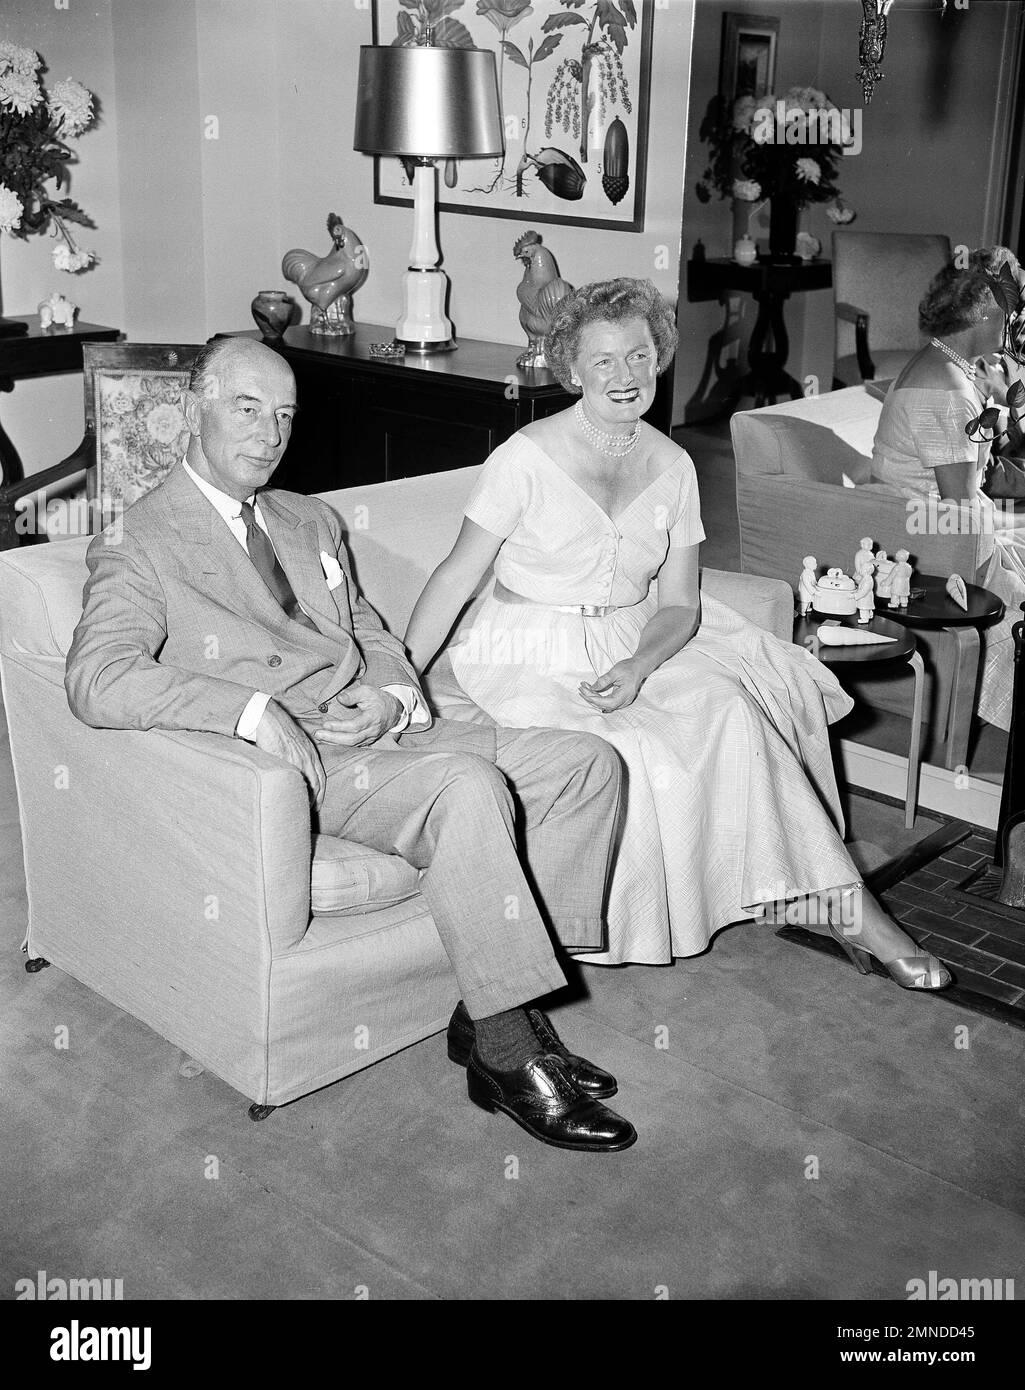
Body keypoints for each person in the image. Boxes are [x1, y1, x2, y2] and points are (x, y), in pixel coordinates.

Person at [64, 337, 636, 1155]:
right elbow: (96, 678)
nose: (269, 434)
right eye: (246, 408)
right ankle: (509, 1055)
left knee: (587, 765)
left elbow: (372, 632)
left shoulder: (309, 517)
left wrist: (395, 697)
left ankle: (496, 1011)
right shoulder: (140, 538)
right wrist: (250, 709)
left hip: (383, 733)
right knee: (466, 785)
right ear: (196, 407)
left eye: (284, 416)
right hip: (308, 762)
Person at [404, 277, 950, 988]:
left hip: (638, 638)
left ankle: (847, 909)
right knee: (627, 746)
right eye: (602, 361)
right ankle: (618, 924)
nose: (624, 376)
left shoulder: (673, 464)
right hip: (526, 647)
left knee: (730, 710)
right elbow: (452, 577)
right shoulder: (525, 457)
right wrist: (399, 677)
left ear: (658, 359)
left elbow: (678, 605)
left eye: (638, 356)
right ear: (570, 370)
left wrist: (638, 665)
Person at [870, 246, 1025, 729]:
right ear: (982, 308)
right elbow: (957, 511)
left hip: (936, 521)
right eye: (1011, 303)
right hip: (931, 541)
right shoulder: (947, 388)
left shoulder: (946, 362)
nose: (1017, 313)